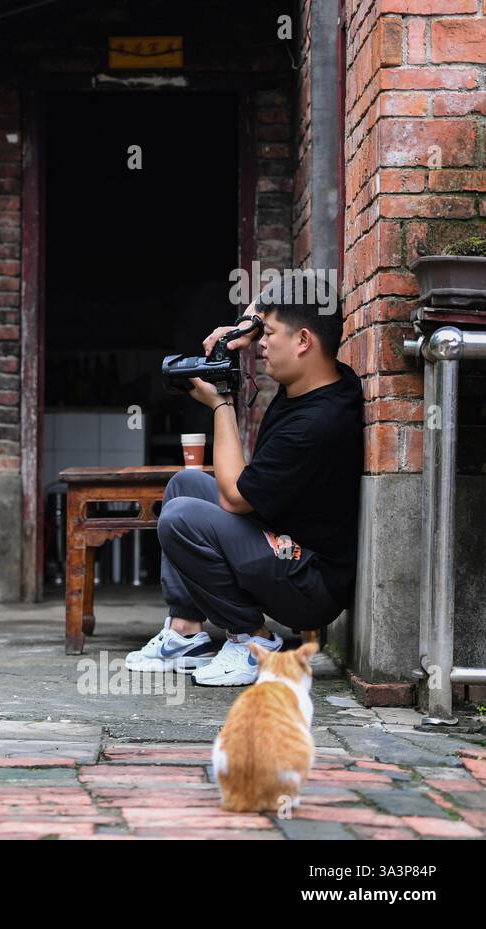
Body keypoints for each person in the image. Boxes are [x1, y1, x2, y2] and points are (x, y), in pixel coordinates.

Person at [125, 272, 362, 685]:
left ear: (303, 341)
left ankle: (254, 642)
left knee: (180, 517)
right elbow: (284, 293)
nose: (261, 344)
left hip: (309, 580)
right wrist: (245, 328)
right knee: (184, 484)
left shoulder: (317, 423)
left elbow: (235, 498)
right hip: (281, 541)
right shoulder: (326, 378)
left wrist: (221, 404)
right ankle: (185, 632)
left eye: (268, 334)